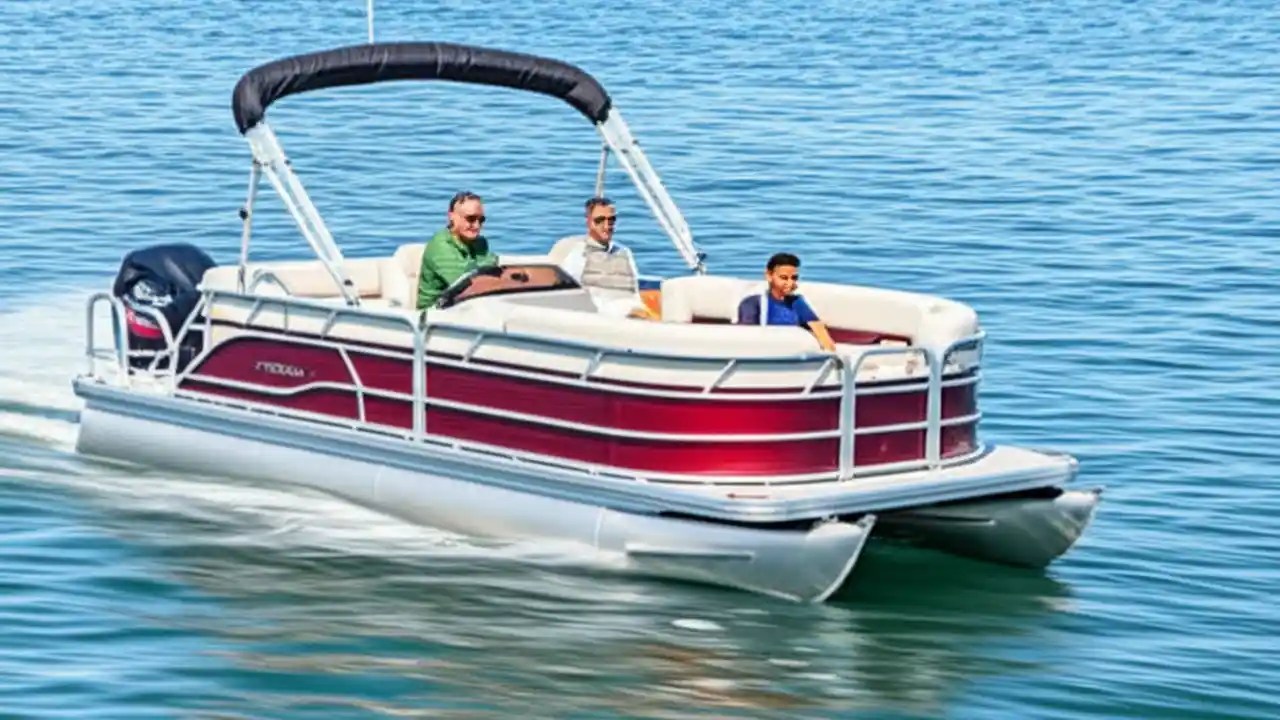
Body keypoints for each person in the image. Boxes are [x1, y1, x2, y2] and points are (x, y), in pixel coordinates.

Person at [556, 197, 658, 320]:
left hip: (631, 312)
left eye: (611, 220)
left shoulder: (624, 253)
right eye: (599, 220)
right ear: (588, 222)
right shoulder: (580, 252)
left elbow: (634, 292)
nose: (606, 225)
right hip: (602, 316)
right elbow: (569, 293)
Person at [736, 252, 837, 351]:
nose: (790, 283)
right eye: (784, 278)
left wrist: (831, 352)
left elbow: (820, 331)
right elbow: (746, 338)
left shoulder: (797, 302)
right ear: (769, 276)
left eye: (794, 278)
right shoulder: (753, 303)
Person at [416, 191, 499, 310]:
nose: (476, 226)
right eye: (470, 219)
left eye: (481, 220)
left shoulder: (480, 243)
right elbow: (465, 285)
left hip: (469, 304)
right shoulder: (441, 246)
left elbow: (490, 269)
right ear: (452, 216)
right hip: (436, 312)